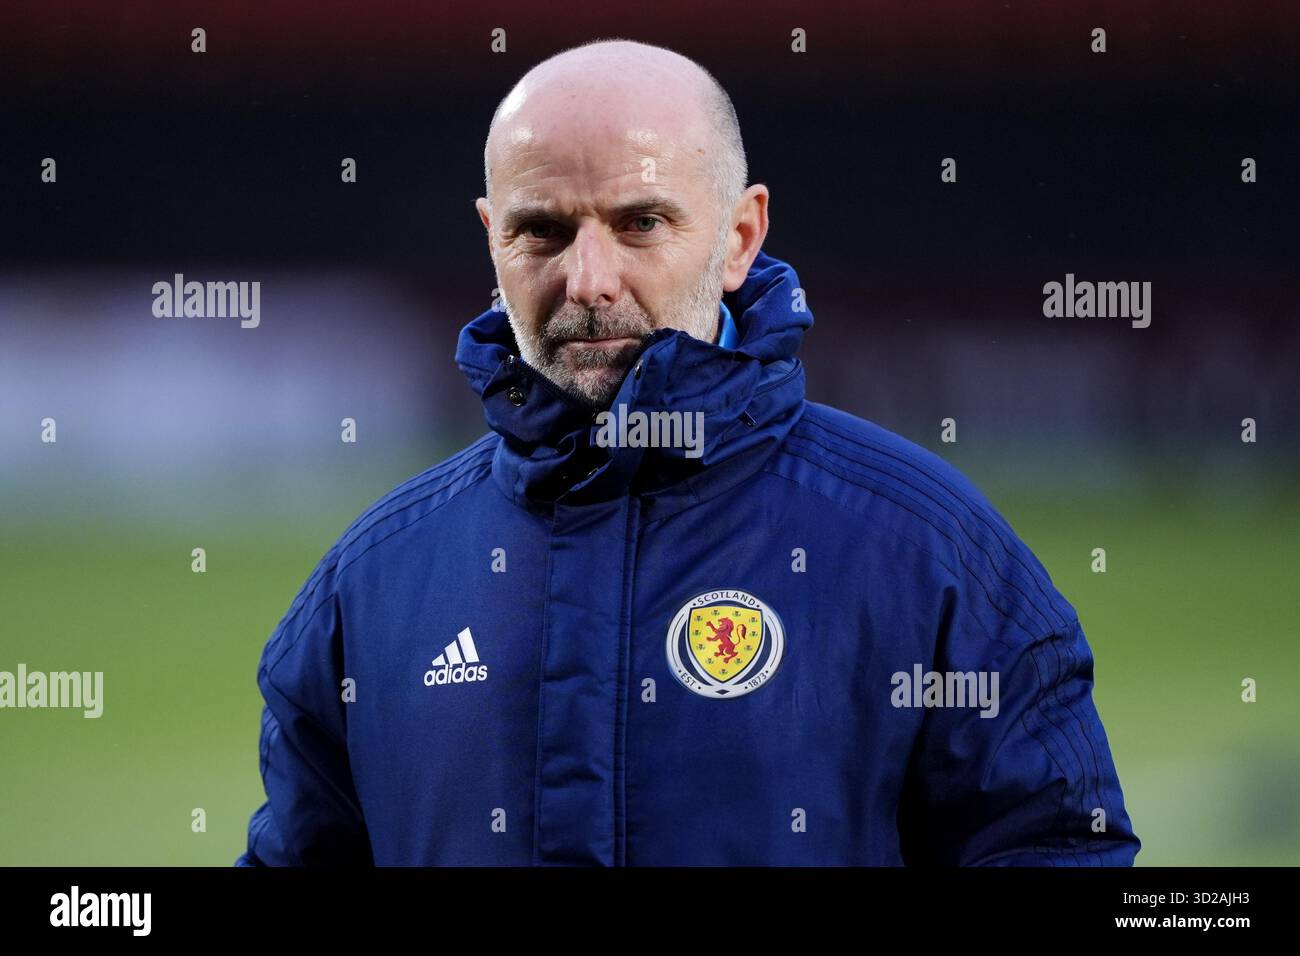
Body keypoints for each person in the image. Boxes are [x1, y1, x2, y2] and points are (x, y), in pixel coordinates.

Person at [236, 38, 1140, 866]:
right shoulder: (372, 584)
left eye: (640, 224)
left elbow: (1058, 850)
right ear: (492, 239)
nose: (588, 283)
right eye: (542, 231)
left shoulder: (931, 554)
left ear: (740, 236)